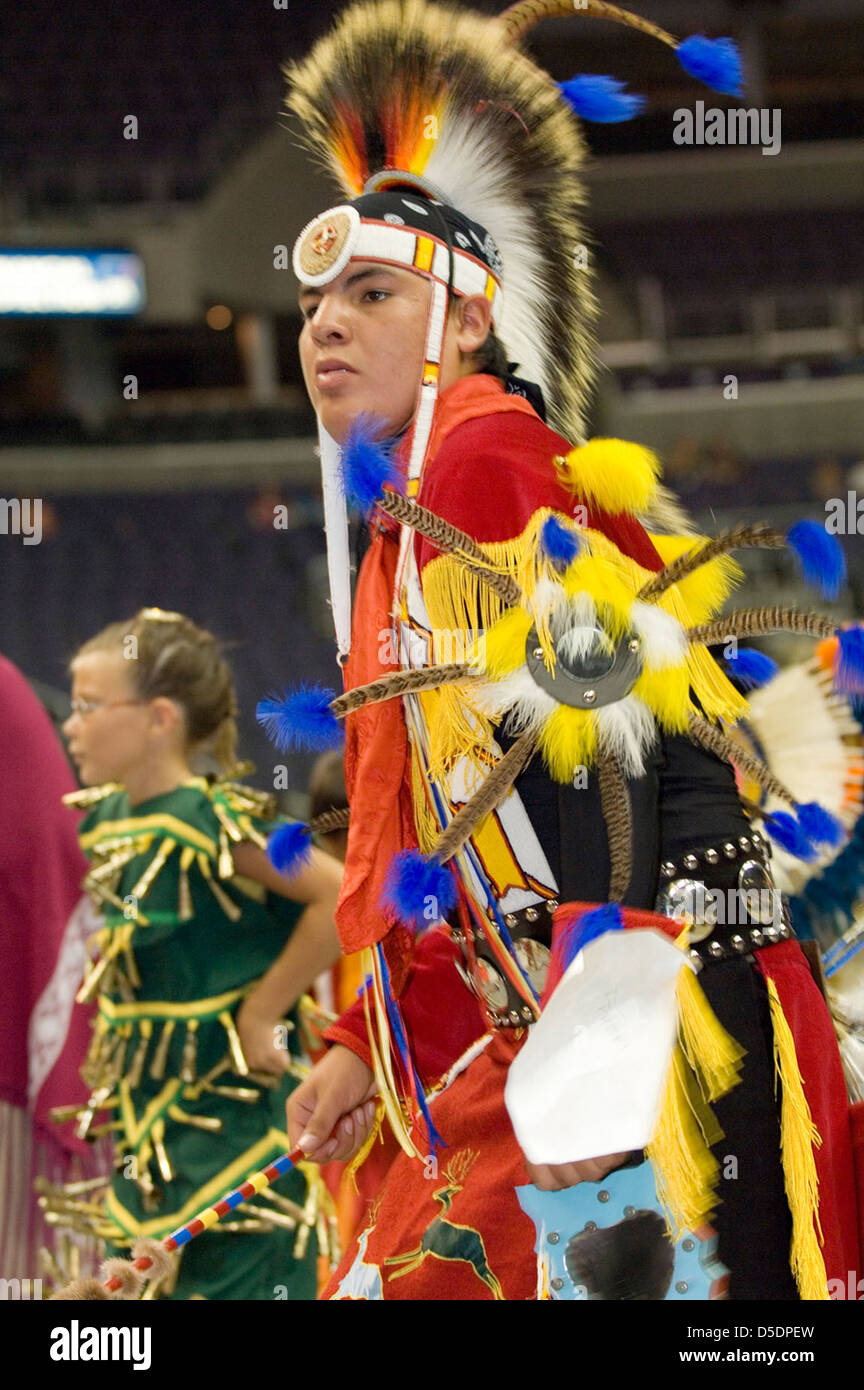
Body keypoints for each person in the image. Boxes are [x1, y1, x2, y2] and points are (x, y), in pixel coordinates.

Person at [273, 0, 859, 1300]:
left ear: (469, 324)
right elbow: (434, 841)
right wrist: (370, 1046)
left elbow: (616, 756)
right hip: (605, 981)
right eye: (314, 304)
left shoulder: (488, 457)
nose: (323, 325)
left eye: (372, 294)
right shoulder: (410, 518)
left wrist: (607, 992)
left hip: (668, 988)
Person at [47, 607, 344, 1299]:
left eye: (89, 705)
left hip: (240, 1152)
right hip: (147, 1156)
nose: (71, 723)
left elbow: (338, 898)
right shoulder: (103, 823)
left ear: (159, 719)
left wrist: (262, 1009)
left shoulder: (213, 817)